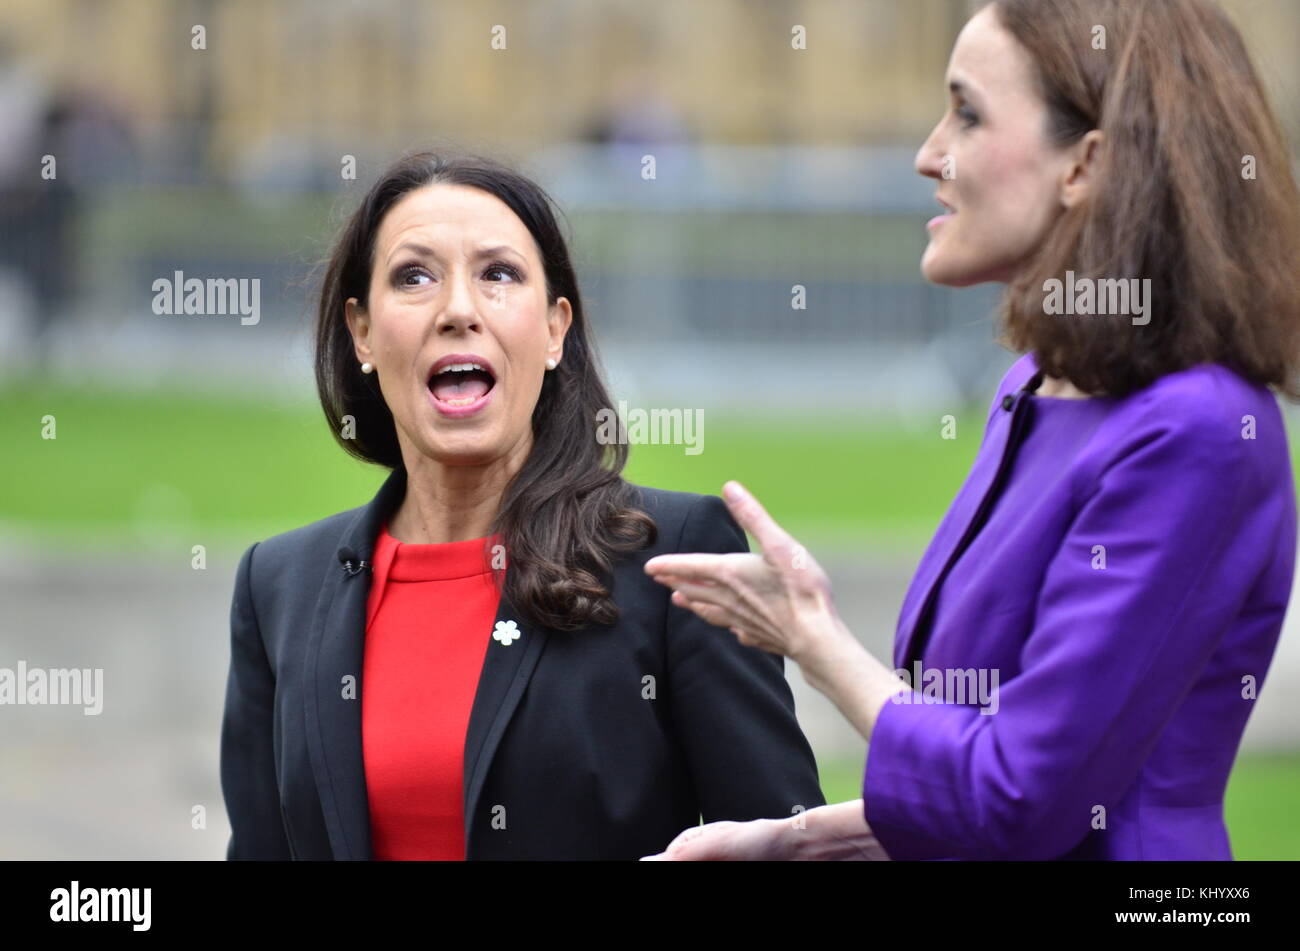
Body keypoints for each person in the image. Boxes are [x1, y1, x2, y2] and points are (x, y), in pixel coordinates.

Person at [643, 0, 1300, 861]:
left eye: (968, 111)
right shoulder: (1037, 382)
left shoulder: (1197, 430)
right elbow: (973, 771)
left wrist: (815, 639)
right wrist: (782, 843)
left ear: (1086, 165)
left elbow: (1020, 797)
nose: (927, 155)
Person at [219, 151, 824, 860]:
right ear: (361, 333)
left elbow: (785, 846)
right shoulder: (280, 584)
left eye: (499, 274)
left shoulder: (674, 560)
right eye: (414, 276)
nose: (457, 310)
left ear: (555, 329)